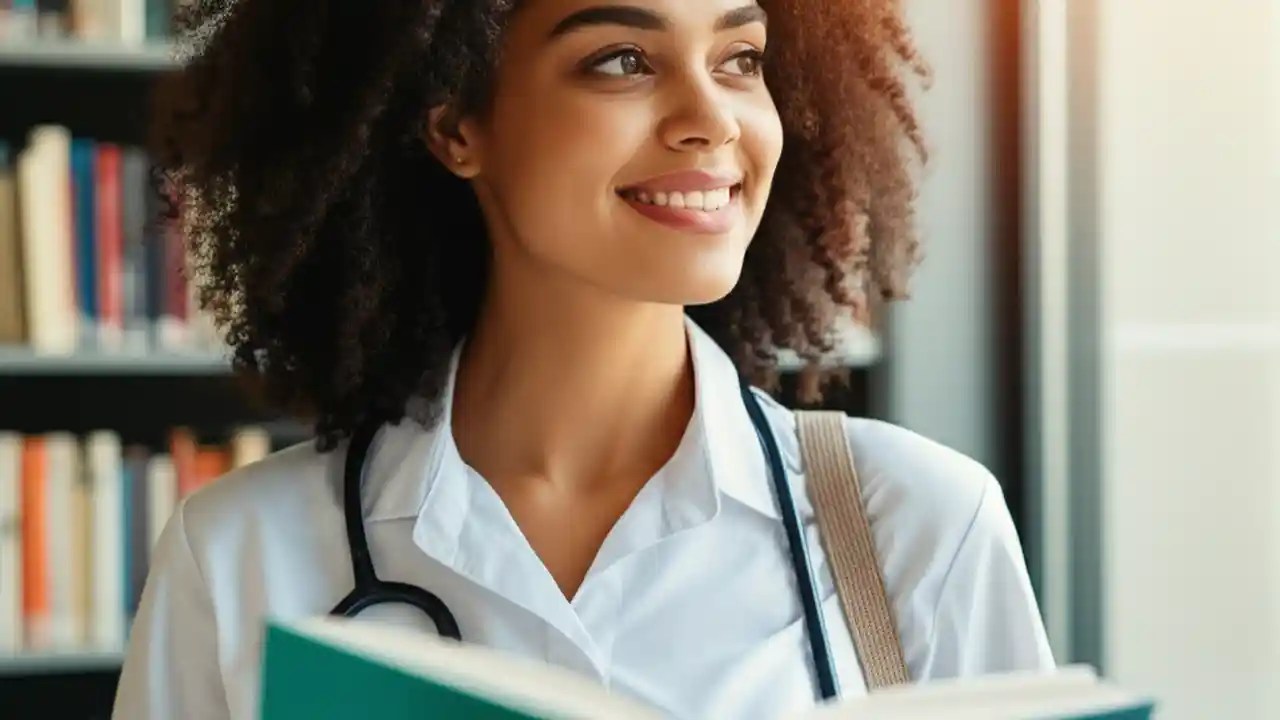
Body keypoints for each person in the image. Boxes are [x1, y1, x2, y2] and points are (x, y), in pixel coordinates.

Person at [113, 0, 1054, 718]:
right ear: (454, 126)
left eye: (741, 59)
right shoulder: (240, 554)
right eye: (623, 61)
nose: (710, 119)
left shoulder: (923, 527)